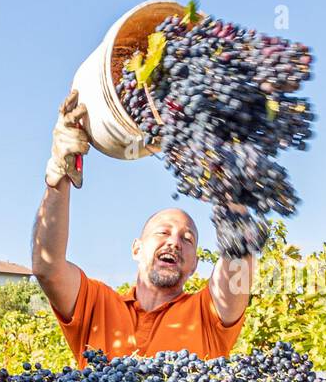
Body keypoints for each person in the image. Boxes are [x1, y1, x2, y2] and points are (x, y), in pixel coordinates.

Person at [32, 90, 254, 366]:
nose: (174, 242)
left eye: (187, 239)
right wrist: (58, 175)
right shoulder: (97, 304)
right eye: (163, 232)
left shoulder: (208, 313)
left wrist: (232, 191)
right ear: (137, 249)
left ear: (195, 265)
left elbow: (237, 267)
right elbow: (47, 268)